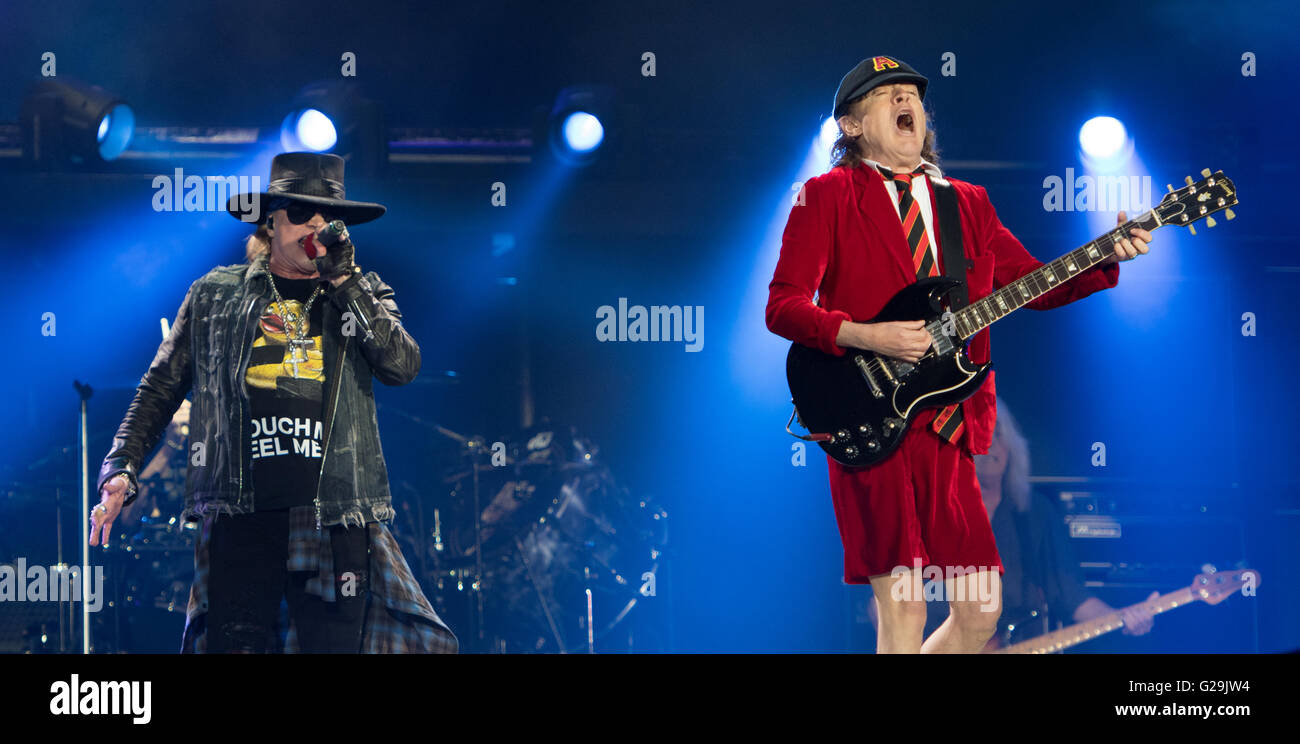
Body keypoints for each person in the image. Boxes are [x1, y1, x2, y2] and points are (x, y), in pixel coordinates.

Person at [766, 56, 1151, 653]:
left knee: (980, 612)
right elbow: (783, 306)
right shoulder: (827, 195)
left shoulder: (966, 201)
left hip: (950, 424)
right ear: (850, 125)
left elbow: (1031, 282)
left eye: (912, 94)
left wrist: (1108, 257)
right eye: (888, 93)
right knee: (904, 609)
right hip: (870, 413)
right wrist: (868, 335)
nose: (907, 102)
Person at [91, 152, 456, 653]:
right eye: (303, 213)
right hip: (242, 515)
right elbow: (159, 387)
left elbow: (402, 366)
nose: (319, 226)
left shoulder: (360, 292)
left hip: (333, 517)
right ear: (271, 220)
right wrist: (121, 467)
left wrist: (345, 283)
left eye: (331, 217)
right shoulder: (214, 296)